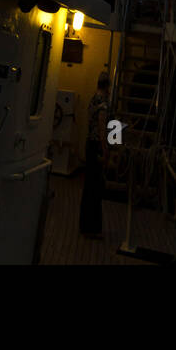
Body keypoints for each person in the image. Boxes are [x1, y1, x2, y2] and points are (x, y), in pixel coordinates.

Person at [79, 70, 110, 238]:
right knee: (96, 188)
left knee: (88, 186)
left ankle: (84, 225)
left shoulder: (92, 100)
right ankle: (93, 227)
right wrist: (106, 151)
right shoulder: (103, 103)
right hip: (97, 146)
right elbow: (102, 126)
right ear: (108, 86)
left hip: (88, 145)